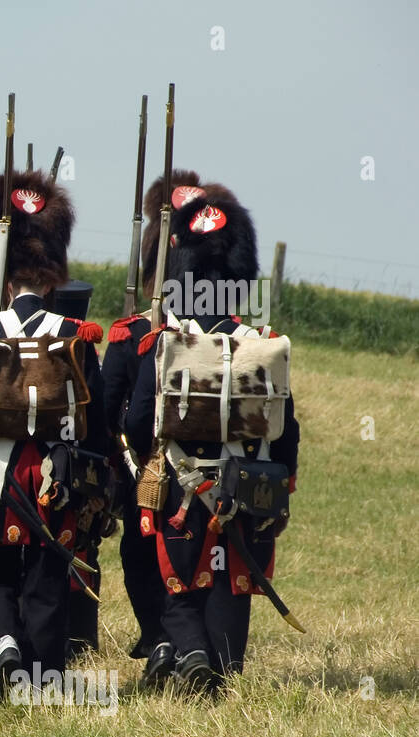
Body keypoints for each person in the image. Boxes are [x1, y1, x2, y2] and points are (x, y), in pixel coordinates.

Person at [0, 169, 108, 699]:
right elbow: (96, 419)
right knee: (45, 575)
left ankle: (6, 646)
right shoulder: (75, 337)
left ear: (5, 274)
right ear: (52, 273)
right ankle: (43, 678)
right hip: (53, 475)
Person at [124, 192, 299, 692]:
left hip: (182, 487)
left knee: (177, 584)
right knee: (230, 577)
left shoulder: (166, 344)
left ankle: (195, 653)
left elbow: (138, 421)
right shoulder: (261, 344)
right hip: (246, 487)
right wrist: (282, 479)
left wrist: (146, 454)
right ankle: (217, 662)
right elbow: (285, 425)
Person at [104, 170, 238, 686]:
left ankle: (171, 643)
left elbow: (119, 415)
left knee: (155, 556)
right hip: (199, 474)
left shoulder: (140, 335)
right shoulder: (236, 338)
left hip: (158, 475)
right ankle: (176, 644)